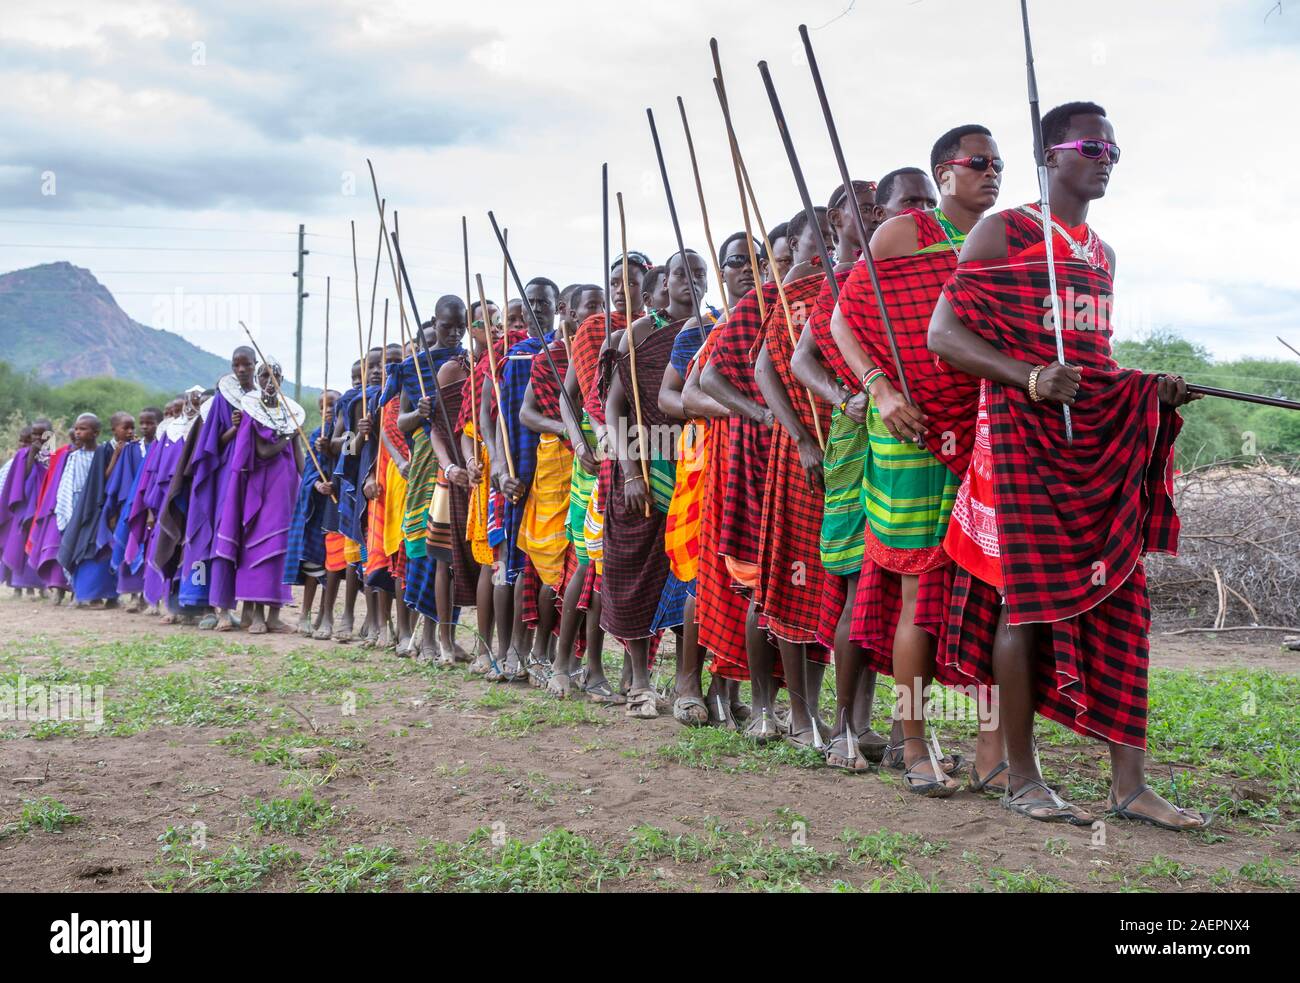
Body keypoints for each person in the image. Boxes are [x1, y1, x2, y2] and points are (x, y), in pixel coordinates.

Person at [927, 102, 1209, 830]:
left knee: (1121, 593)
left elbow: (1092, 360)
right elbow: (945, 333)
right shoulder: (1006, 231)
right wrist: (1025, 375)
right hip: (1019, 436)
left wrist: (1148, 389)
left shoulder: (1102, 253)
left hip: (1087, 441)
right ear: (1049, 154)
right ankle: (1022, 776)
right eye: (1091, 145)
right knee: (1025, 600)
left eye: (1115, 148)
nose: (1106, 157)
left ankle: (1129, 783)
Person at [830, 125, 1003, 794]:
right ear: (945, 172)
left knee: (985, 590)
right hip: (909, 430)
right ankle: (914, 743)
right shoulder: (909, 234)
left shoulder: (1002, 241)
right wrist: (878, 386)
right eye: (978, 163)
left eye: (999, 165)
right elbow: (842, 321)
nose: (992, 174)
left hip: (982, 431)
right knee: (917, 593)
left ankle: (993, 749)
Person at [793, 168, 939, 770]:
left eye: (928, 202)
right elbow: (800, 360)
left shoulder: (937, 270)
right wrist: (847, 396)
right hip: (863, 445)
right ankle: (846, 730)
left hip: (928, 443)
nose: (921, 213)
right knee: (860, 580)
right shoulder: (852, 282)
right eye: (911, 203)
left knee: (907, 594)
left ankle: (893, 731)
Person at [601, 249, 708, 719]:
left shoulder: (714, 327)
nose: (690, 282)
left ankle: (694, 684)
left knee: (691, 576)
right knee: (636, 577)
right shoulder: (638, 334)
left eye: (699, 274)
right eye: (681, 275)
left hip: (695, 465)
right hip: (644, 467)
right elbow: (613, 409)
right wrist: (629, 473)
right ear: (664, 282)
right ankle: (640, 679)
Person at [658, 232, 752, 725]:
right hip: (706, 458)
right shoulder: (701, 329)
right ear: (722, 270)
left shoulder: (769, 318)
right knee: (699, 572)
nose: (746, 268)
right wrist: (731, 411)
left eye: (756, 260)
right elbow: (672, 397)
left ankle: (728, 686)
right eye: (736, 260)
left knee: (741, 572)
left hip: (755, 459)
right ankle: (688, 683)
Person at [214, 360, 304, 634]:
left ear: (282, 378)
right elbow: (263, 452)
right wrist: (288, 437)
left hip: (285, 485)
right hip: (258, 485)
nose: (269, 380)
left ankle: (274, 615)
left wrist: (305, 479)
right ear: (257, 378)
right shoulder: (251, 411)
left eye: (274, 375)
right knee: (256, 548)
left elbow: (298, 452)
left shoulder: (289, 412)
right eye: (263, 375)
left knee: (280, 549)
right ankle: (253, 615)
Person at [185, 346, 258, 630]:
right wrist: (234, 428)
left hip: (253, 474)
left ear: (255, 366)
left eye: (246, 365)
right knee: (222, 537)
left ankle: (252, 609)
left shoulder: (261, 398)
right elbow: (210, 444)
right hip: (226, 476)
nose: (241, 370)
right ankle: (222, 609)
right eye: (236, 365)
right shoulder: (221, 400)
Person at [284, 389, 339, 635]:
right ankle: (304, 614)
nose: (328, 409)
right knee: (313, 564)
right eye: (323, 406)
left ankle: (323, 615)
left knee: (333, 565)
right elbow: (308, 472)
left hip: (338, 508)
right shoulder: (317, 435)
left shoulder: (346, 436)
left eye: (333, 404)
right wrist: (318, 484)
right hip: (318, 508)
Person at [56, 414, 119, 607]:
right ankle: (80, 593)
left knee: (97, 550)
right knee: (77, 549)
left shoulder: (104, 452)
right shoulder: (73, 457)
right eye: (76, 428)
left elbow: (105, 480)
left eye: (82, 429)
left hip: (98, 510)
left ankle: (103, 594)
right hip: (77, 510)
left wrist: (116, 456)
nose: (77, 432)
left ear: (96, 433)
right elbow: (66, 486)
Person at [0, 420, 50, 597]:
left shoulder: (52, 455)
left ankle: (42, 587)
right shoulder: (23, 455)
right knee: (19, 544)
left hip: (43, 507)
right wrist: (31, 455)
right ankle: (18, 587)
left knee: (39, 545)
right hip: (24, 508)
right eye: (34, 435)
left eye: (41, 434)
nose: (37, 438)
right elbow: (23, 477)